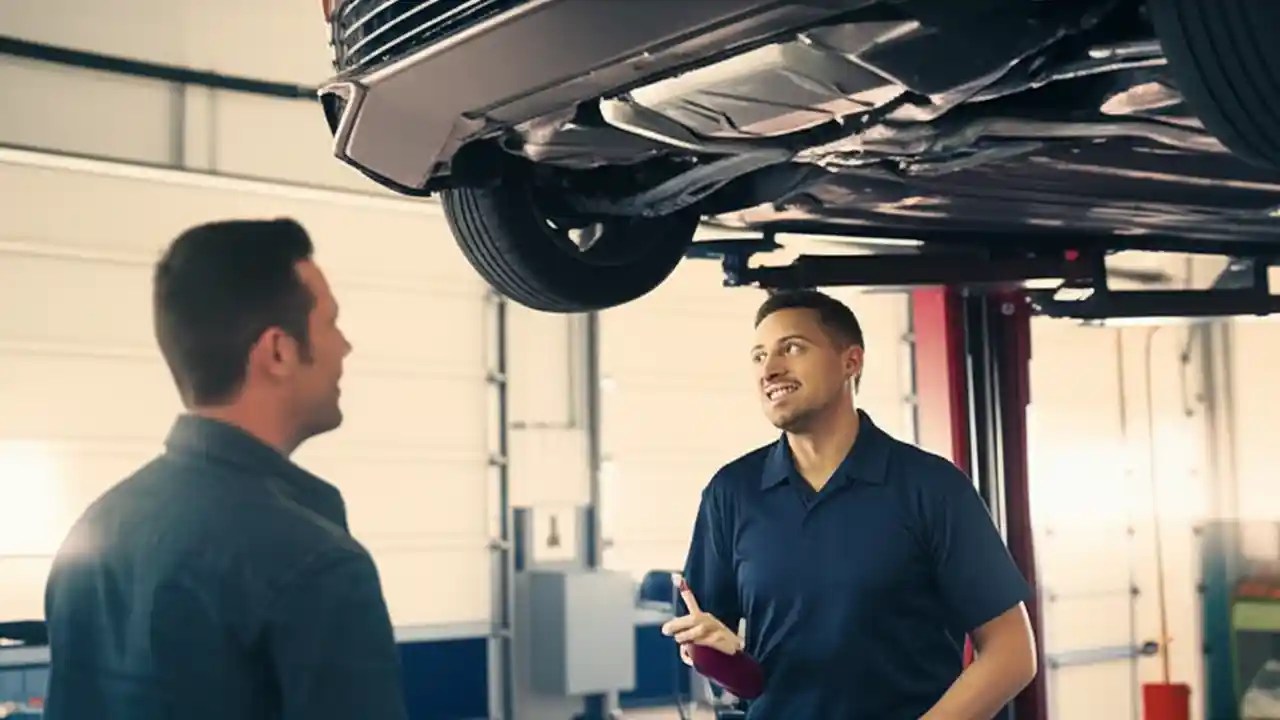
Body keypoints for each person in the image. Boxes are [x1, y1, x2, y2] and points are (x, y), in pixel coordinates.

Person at [42, 218, 409, 720]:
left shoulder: (94, 530)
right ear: (278, 351)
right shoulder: (314, 562)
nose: (344, 347)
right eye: (330, 324)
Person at [663, 289, 1037, 719]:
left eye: (792, 348)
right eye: (759, 356)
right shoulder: (731, 493)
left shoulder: (931, 487)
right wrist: (720, 657)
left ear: (851, 361)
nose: (770, 368)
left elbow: (1011, 653)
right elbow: (733, 669)